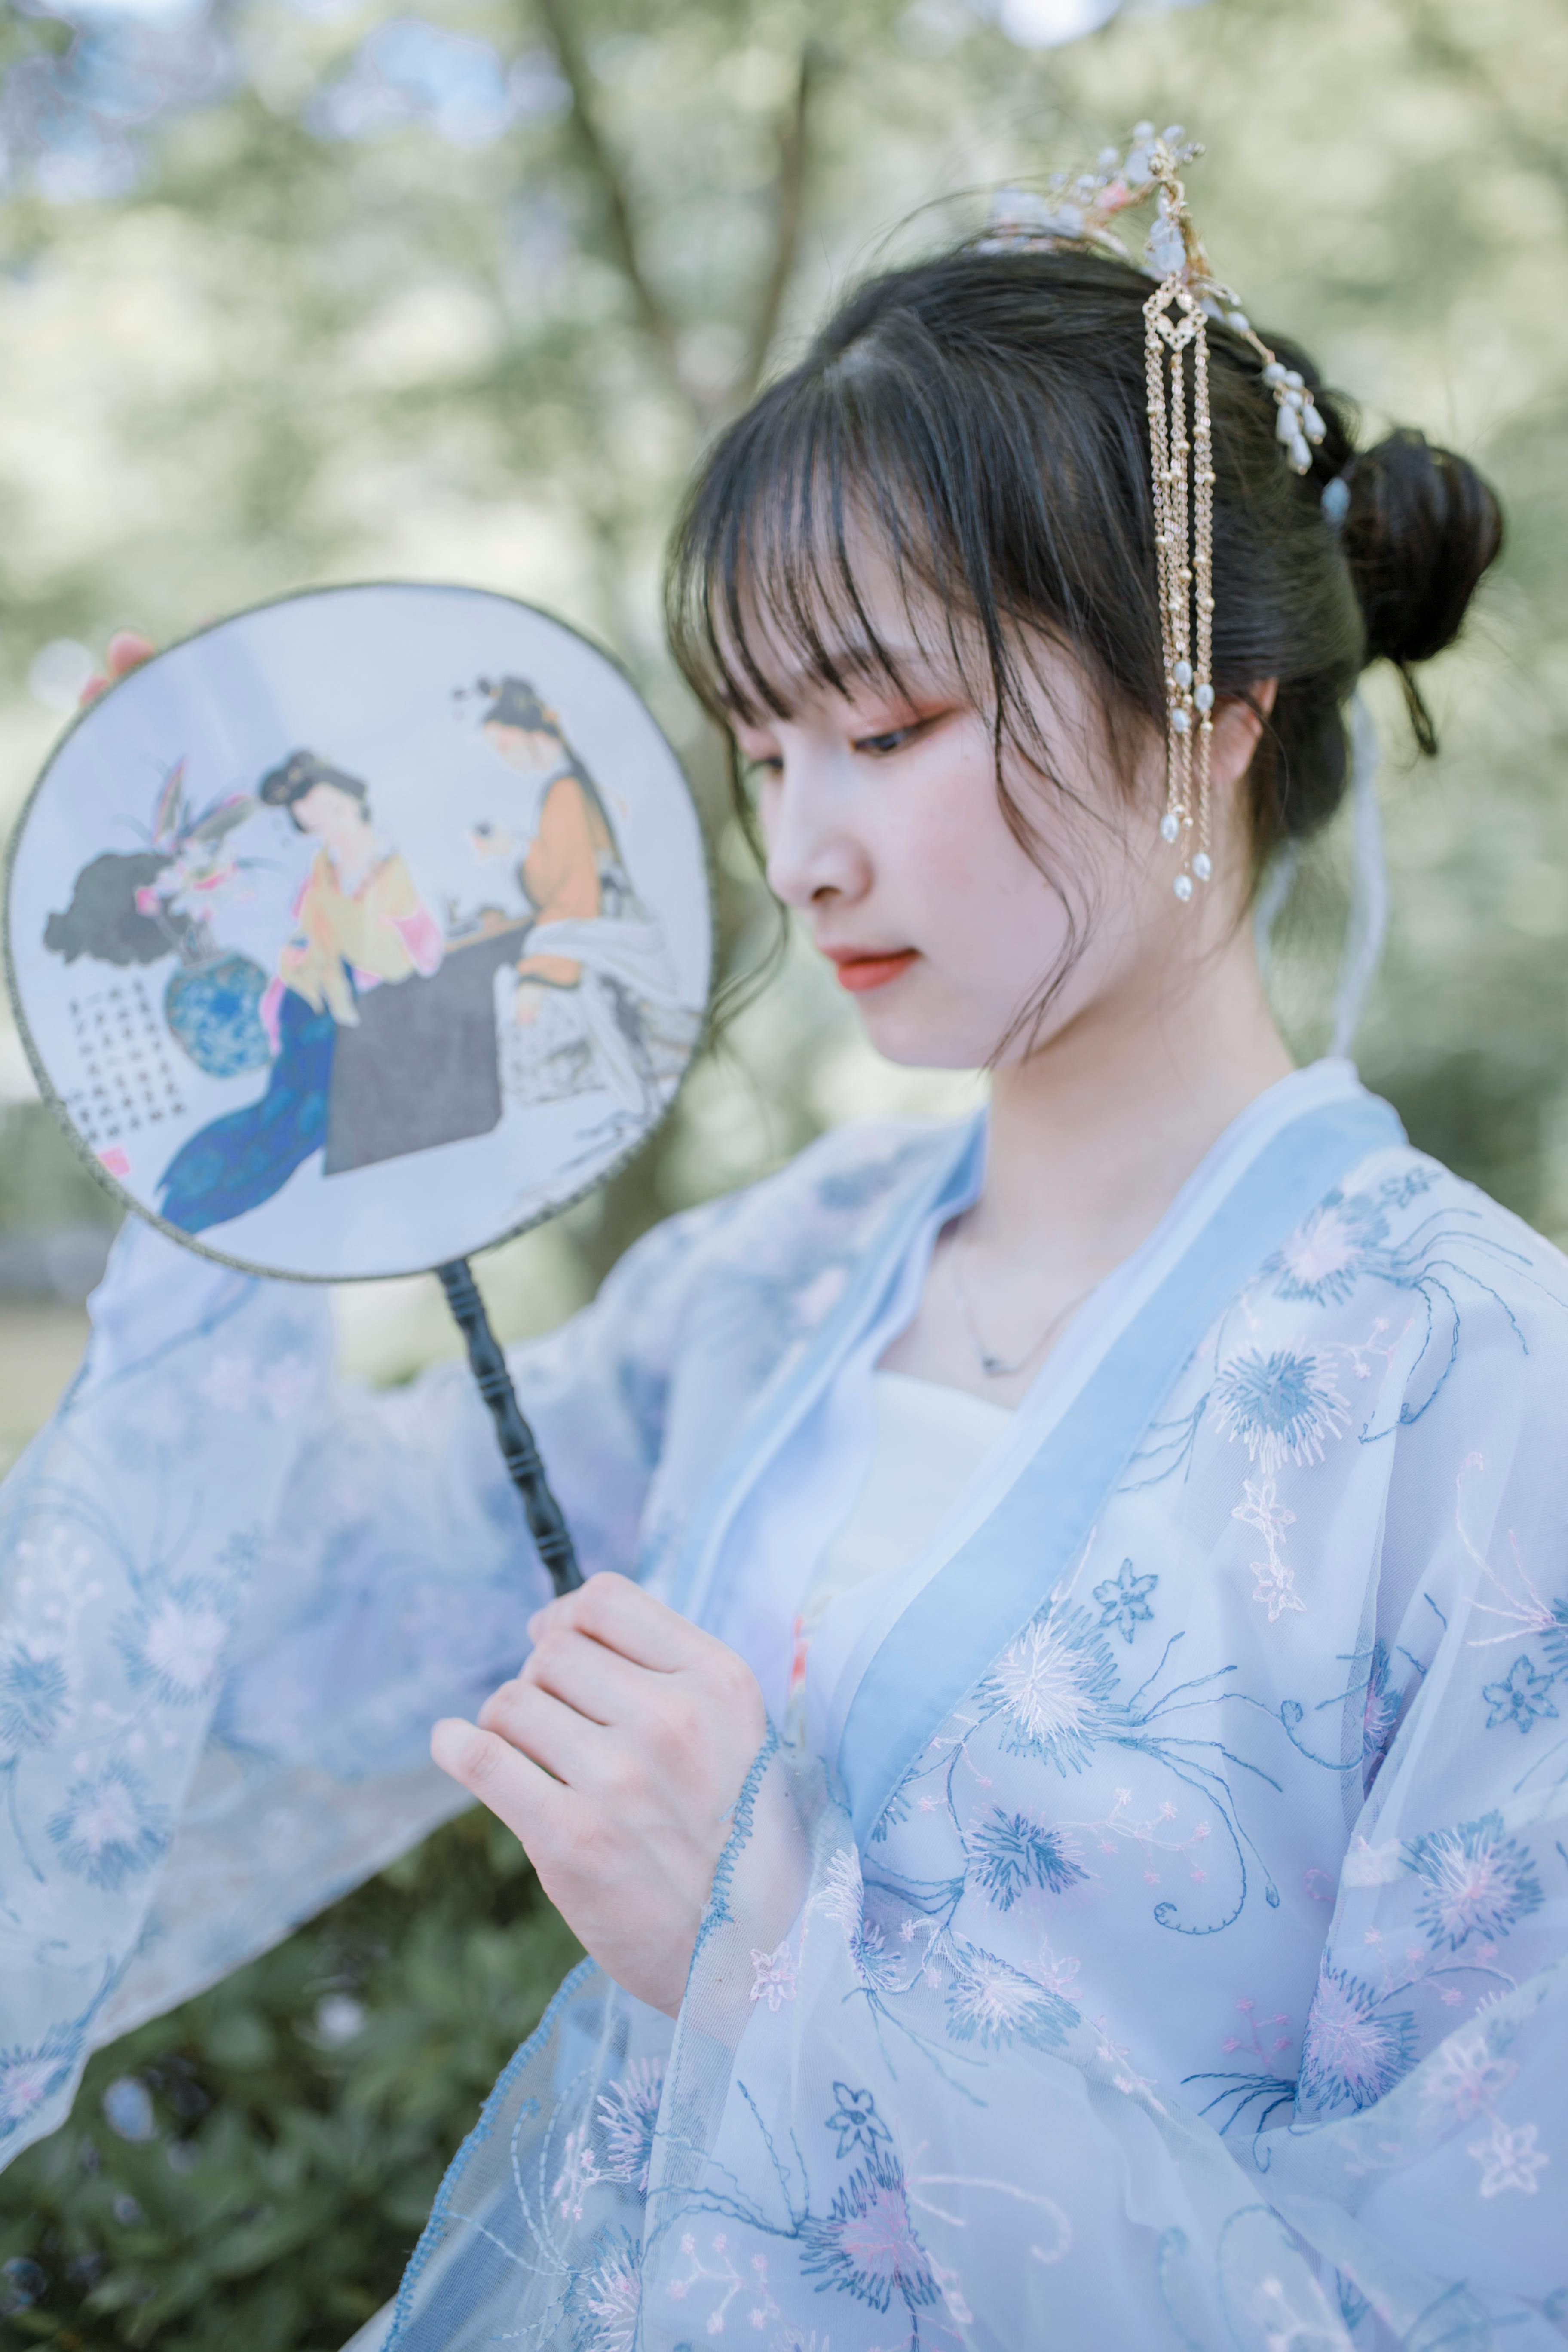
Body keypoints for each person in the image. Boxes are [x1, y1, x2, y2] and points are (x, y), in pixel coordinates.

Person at [2, 131, 1563, 2352]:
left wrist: (764, 1947)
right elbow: (303, 1623)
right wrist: (264, 1084)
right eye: (761, 751)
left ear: (1210, 717)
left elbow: (1466, 2290)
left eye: (887, 727)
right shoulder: (788, 1273)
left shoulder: (1482, 1395)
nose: (804, 849)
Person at [156, 749, 443, 1231]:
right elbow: (307, 936)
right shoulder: (323, 870)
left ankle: (203, 1203)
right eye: (313, 821)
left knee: (305, 1121)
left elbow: (420, 945)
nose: (328, 826)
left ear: (353, 801)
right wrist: (304, 969)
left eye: (332, 811)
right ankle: (193, 1198)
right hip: (313, 1002)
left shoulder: (392, 864)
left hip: (368, 1002)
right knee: (286, 1111)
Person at [471, 674, 699, 1119]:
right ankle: (647, 1047)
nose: (505, 758)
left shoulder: (567, 792)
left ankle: (649, 1054)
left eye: (505, 745)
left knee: (521, 1064)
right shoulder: (566, 789)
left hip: (597, 938)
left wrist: (542, 975)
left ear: (531, 733)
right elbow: (559, 876)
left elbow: (577, 893)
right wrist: (515, 850)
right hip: (591, 933)